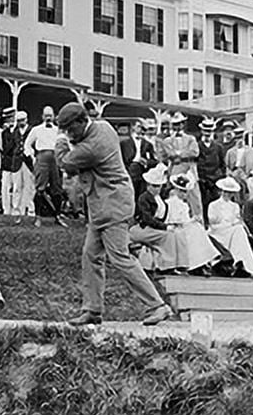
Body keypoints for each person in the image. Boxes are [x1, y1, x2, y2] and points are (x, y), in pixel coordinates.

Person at [55, 102, 172, 326]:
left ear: (82, 122)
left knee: (120, 257)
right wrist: (70, 139)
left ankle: (157, 306)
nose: (68, 134)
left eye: (70, 129)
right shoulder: (104, 126)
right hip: (103, 204)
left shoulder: (91, 147)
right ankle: (92, 309)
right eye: (65, 130)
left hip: (113, 205)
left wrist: (61, 142)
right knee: (90, 255)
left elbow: (66, 163)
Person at [164, 172, 221, 275]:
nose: (183, 194)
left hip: (183, 226)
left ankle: (202, 262)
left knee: (197, 228)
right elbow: (174, 219)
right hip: (174, 227)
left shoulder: (184, 205)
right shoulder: (170, 202)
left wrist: (192, 220)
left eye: (185, 192)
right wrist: (191, 221)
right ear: (176, 190)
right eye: (181, 191)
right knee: (195, 230)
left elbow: (185, 220)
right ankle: (199, 263)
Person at [206, 176, 253, 280]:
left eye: (230, 192)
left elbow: (237, 220)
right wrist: (228, 223)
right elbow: (212, 222)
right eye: (225, 192)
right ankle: (237, 262)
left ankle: (243, 263)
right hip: (218, 232)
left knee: (239, 231)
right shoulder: (213, 205)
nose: (227, 194)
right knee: (237, 230)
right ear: (221, 191)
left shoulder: (235, 206)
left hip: (232, 231)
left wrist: (235, 223)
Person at [128, 164, 179, 274]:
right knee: (168, 236)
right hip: (141, 228)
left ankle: (170, 264)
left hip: (153, 227)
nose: (157, 189)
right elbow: (147, 218)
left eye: (159, 186)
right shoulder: (144, 198)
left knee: (175, 234)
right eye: (154, 186)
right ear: (148, 186)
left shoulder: (160, 198)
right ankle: (167, 266)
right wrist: (164, 227)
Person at [24, 105, 66, 227]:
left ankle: (57, 216)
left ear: (53, 117)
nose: (48, 118)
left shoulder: (58, 130)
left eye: (50, 115)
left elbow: (65, 144)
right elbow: (27, 144)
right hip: (42, 158)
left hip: (55, 159)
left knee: (57, 189)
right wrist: (32, 157)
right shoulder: (36, 129)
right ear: (42, 116)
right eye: (46, 115)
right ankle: (38, 217)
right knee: (40, 188)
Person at [161, 112, 203, 217]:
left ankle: (198, 222)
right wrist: (181, 154)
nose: (178, 126)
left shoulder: (191, 139)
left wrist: (179, 154)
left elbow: (194, 152)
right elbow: (169, 153)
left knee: (195, 199)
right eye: (175, 124)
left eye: (180, 124)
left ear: (183, 124)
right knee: (174, 196)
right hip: (175, 169)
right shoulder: (167, 141)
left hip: (190, 170)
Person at [196, 117, 227, 224]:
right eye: (205, 131)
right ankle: (205, 224)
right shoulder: (197, 145)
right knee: (203, 203)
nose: (207, 133)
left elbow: (222, 165)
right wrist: (200, 178)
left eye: (209, 131)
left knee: (216, 203)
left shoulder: (218, 147)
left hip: (215, 180)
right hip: (203, 180)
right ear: (202, 131)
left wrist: (221, 177)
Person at [120, 118, 156, 201]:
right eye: (139, 126)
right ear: (133, 127)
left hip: (143, 171)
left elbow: (155, 161)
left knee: (140, 195)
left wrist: (147, 162)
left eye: (143, 127)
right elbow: (121, 159)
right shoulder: (124, 143)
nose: (141, 129)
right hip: (129, 170)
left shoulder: (148, 144)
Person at [9, 110, 35, 223]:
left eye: (22, 120)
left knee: (29, 186)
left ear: (27, 119)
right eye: (18, 121)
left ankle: (30, 209)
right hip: (17, 160)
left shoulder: (32, 130)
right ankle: (16, 210)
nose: (20, 123)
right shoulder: (15, 131)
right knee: (16, 186)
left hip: (28, 160)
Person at [0, 106, 17, 215]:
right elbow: (4, 147)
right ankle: (6, 209)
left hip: (16, 162)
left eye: (11, 118)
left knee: (16, 188)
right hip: (7, 162)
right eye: (7, 118)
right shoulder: (4, 132)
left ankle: (16, 209)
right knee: (5, 187)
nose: (9, 120)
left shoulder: (19, 131)